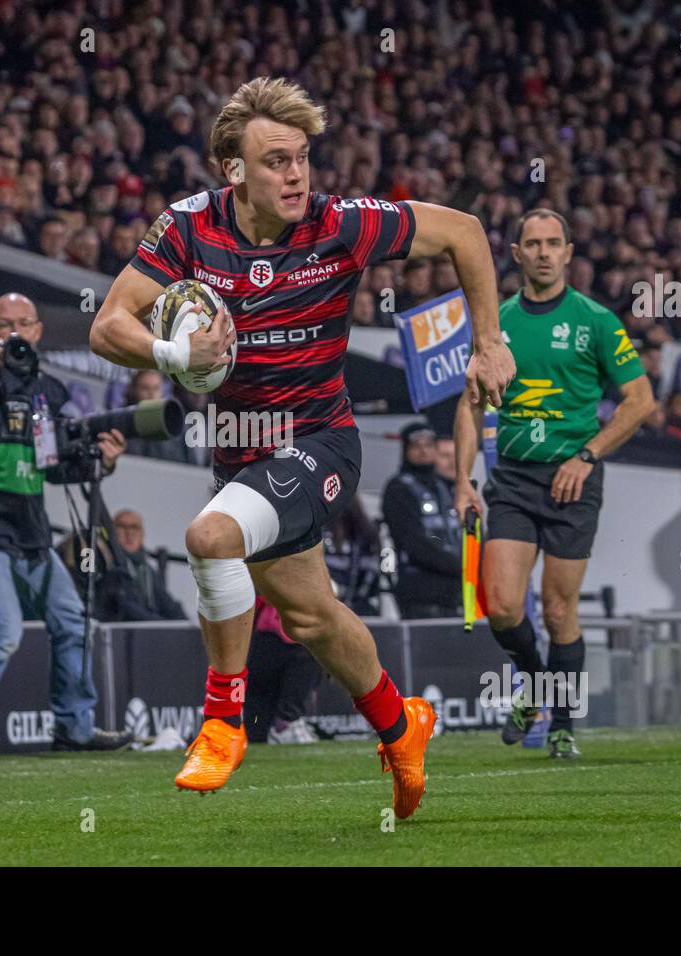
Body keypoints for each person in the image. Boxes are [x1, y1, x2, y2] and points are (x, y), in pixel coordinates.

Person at [91, 77, 514, 816]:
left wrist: (487, 341)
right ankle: (399, 724)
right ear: (234, 171)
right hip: (238, 450)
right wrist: (171, 356)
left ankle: (222, 720)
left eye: (302, 158)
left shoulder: (341, 224)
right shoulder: (189, 227)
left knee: (209, 536)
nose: (295, 175)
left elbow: (465, 232)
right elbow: (107, 326)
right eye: (276, 161)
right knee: (314, 617)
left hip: (321, 440)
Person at [454, 208, 655, 760]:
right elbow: (470, 407)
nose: (543, 252)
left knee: (559, 610)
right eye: (532, 244)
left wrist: (587, 455)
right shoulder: (495, 326)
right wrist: (463, 481)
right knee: (500, 605)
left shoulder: (596, 321)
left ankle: (563, 724)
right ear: (516, 255)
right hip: (514, 478)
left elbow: (640, 402)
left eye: (553, 243)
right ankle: (538, 686)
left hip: (574, 479)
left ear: (569, 252)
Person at [0, 292, 133, 754]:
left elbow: (54, 467)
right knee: (2, 630)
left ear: (38, 332)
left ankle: (74, 728)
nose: (15, 334)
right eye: (5, 325)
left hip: (28, 531)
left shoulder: (47, 393)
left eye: (24, 324)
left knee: (72, 621)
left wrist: (100, 462)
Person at [382, 421, 462, 619]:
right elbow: (412, 541)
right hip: (420, 594)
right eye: (416, 446)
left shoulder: (448, 487)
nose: (423, 451)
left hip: (457, 593)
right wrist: (461, 566)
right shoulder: (398, 489)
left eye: (428, 445)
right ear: (405, 450)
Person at [244, 596, 323, 744]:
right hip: (275, 637)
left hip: (283, 636)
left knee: (266, 700)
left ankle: (286, 724)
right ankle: (284, 724)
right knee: (258, 705)